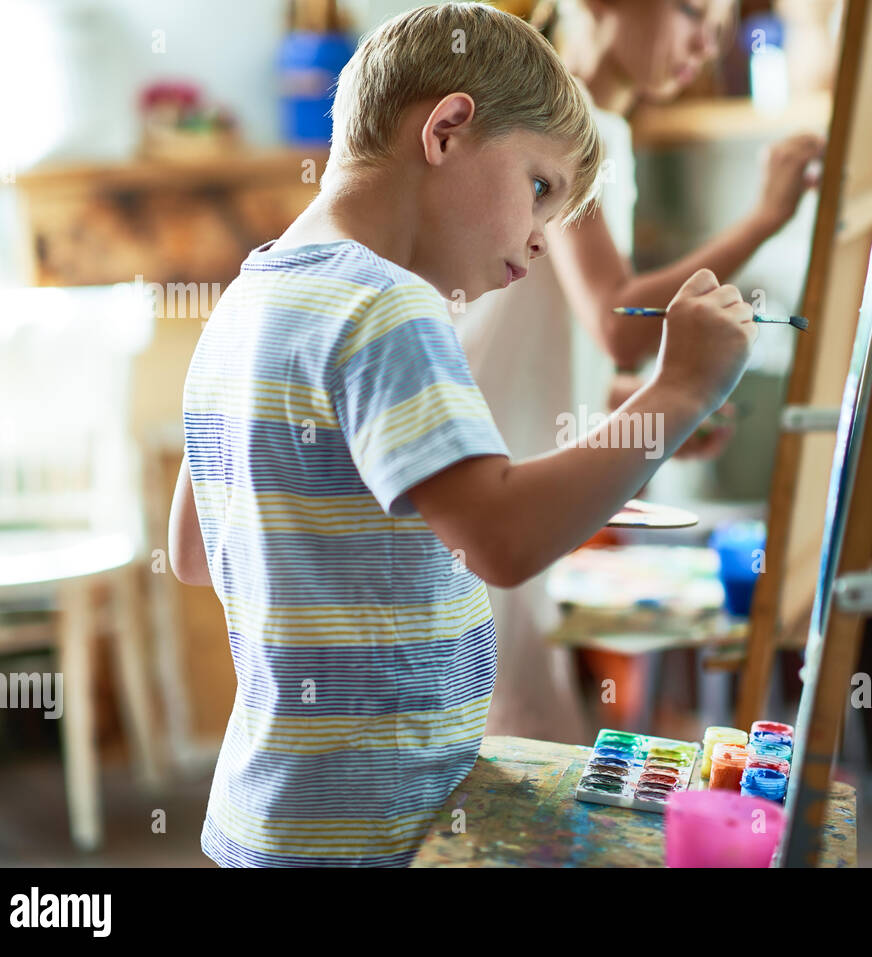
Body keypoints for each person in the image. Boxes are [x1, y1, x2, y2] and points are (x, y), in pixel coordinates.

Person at [166, 2, 757, 867]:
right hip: (378, 829)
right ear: (445, 129)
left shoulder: (252, 294)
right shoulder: (391, 306)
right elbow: (504, 537)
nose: (539, 242)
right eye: (540, 190)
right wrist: (680, 389)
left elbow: (190, 548)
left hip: (270, 816)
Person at [455, 0, 823, 744]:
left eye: (719, 23)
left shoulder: (600, 126)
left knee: (531, 740)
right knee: (521, 753)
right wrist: (764, 219)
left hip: (496, 479)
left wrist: (643, 411)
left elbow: (556, 347)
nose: (706, 39)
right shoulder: (564, 120)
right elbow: (617, 319)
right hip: (475, 490)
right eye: (692, 10)